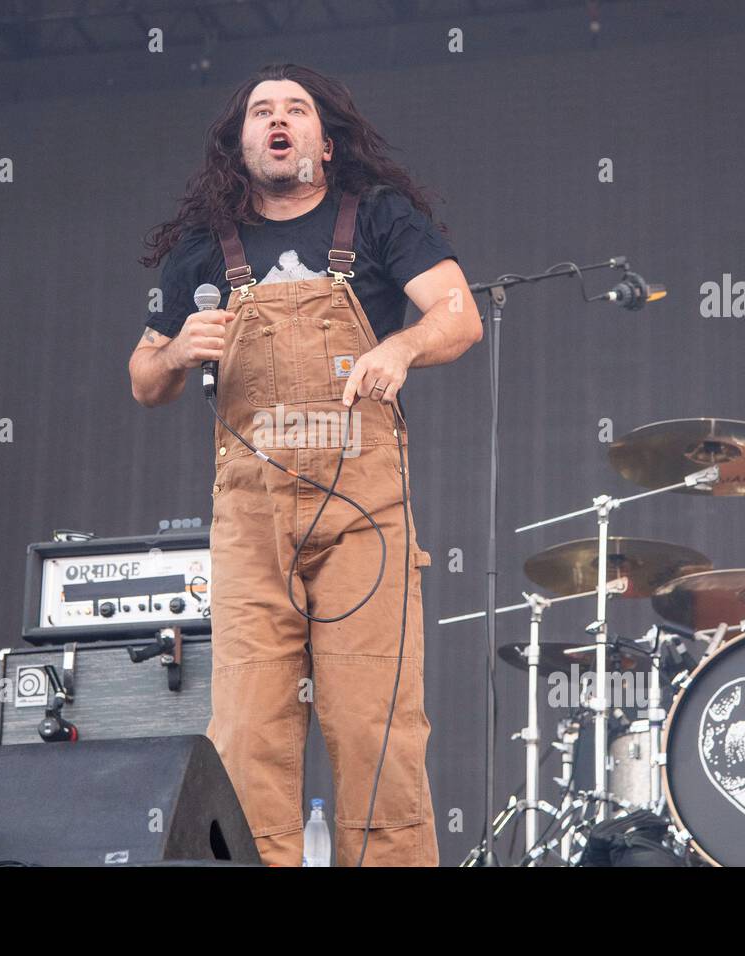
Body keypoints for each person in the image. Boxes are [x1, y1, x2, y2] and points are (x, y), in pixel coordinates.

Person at [128, 64, 481, 866]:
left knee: (373, 728)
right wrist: (178, 348)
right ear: (240, 141)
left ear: (325, 140)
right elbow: (145, 378)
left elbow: (459, 315)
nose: (278, 119)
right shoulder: (200, 255)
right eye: (261, 111)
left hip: (364, 517)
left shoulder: (379, 219)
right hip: (251, 524)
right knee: (249, 734)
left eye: (296, 109)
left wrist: (402, 345)